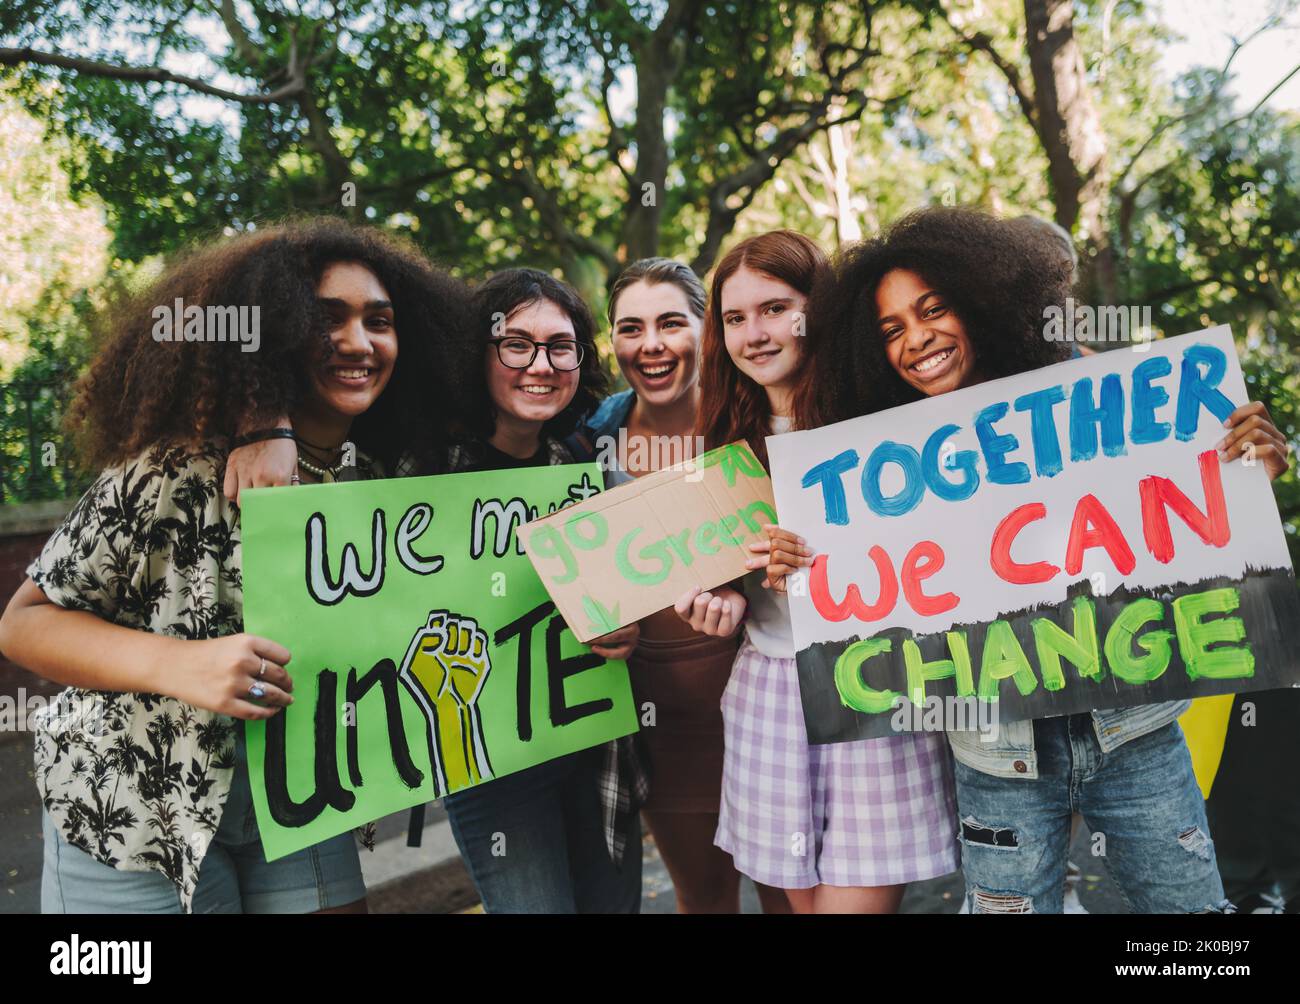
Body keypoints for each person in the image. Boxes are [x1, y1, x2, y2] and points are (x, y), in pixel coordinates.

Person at [767, 206, 1292, 913]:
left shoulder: (1097, 400)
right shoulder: (872, 465)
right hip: (995, 757)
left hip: (1135, 734)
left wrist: (1246, 465)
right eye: (892, 330)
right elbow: (855, 584)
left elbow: (1176, 495)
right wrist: (795, 559)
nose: (917, 339)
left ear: (982, 301)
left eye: (933, 310)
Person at [0, 218, 475, 913]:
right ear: (277, 333)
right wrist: (182, 665)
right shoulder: (174, 469)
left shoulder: (378, 483)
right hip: (134, 804)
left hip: (302, 796)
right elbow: (25, 625)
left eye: (380, 321)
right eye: (326, 319)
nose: (359, 341)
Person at [674, 230, 961, 914]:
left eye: (774, 309)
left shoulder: (890, 418)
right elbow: (725, 586)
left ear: (819, 310)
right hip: (768, 690)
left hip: (872, 685)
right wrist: (720, 605)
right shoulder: (722, 445)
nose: (754, 333)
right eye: (735, 318)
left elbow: (945, 557)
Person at [568, 258, 787, 914]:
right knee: (704, 899)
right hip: (664, 729)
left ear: (706, 330)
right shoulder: (589, 443)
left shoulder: (754, 425)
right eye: (630, 328)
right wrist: (592, 623)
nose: (651, 343)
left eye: (671, 322)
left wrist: (754, 589)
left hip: (772, 718)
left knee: (791, 900)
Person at [437, 267, 645, 913]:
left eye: (561, 346)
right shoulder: (421, 470)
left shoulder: (586, 468)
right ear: (481, 351)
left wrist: (622, 624)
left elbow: (619, 594)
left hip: (594, 745)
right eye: (516, 343)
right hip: (494, 764)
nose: (541, 364)